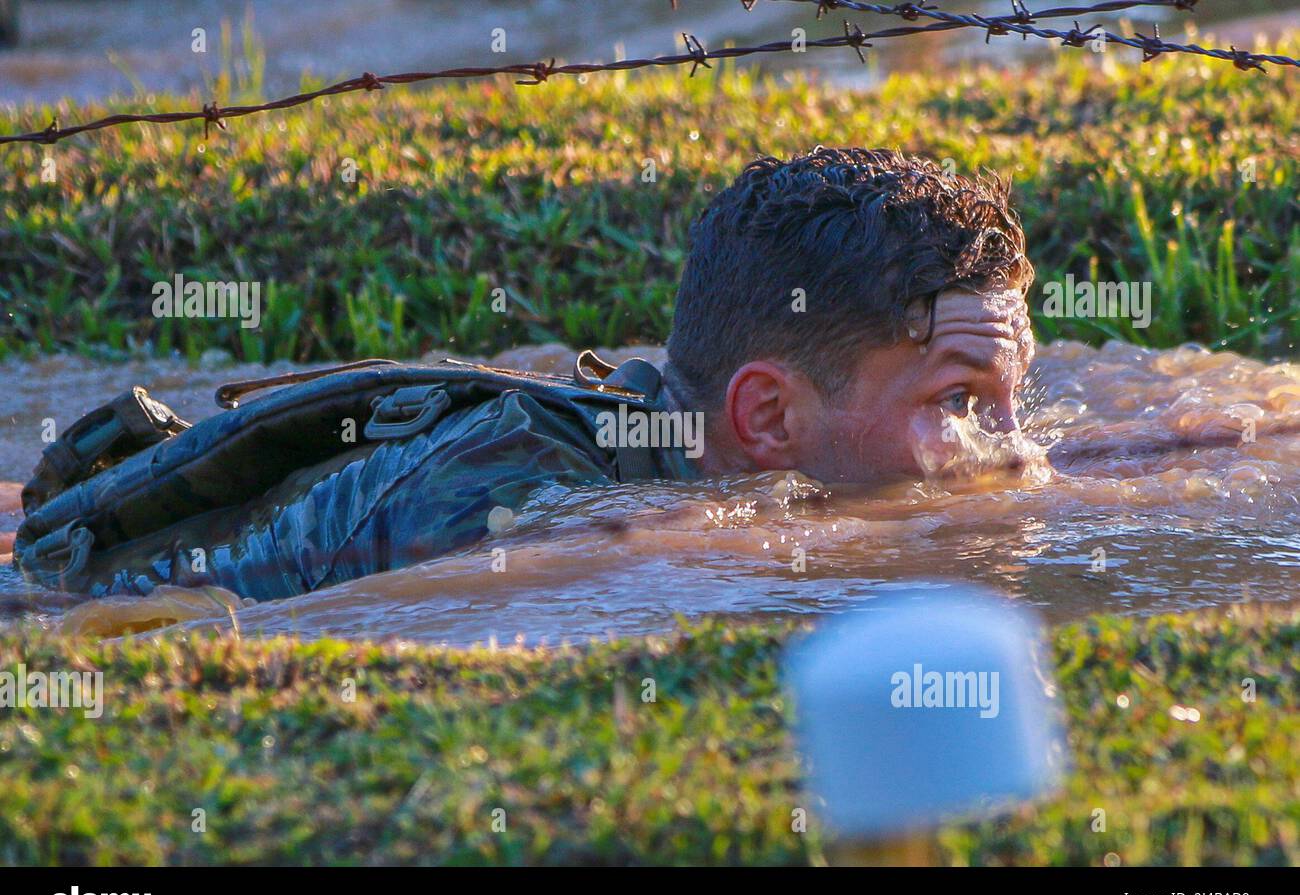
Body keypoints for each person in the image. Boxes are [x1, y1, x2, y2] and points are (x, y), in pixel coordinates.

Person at [16, 147, 1038, 600]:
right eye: (959, 402)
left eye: (1008, 403)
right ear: (765, 414)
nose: (1016, 454)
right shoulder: (532, 503)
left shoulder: (651, 445)